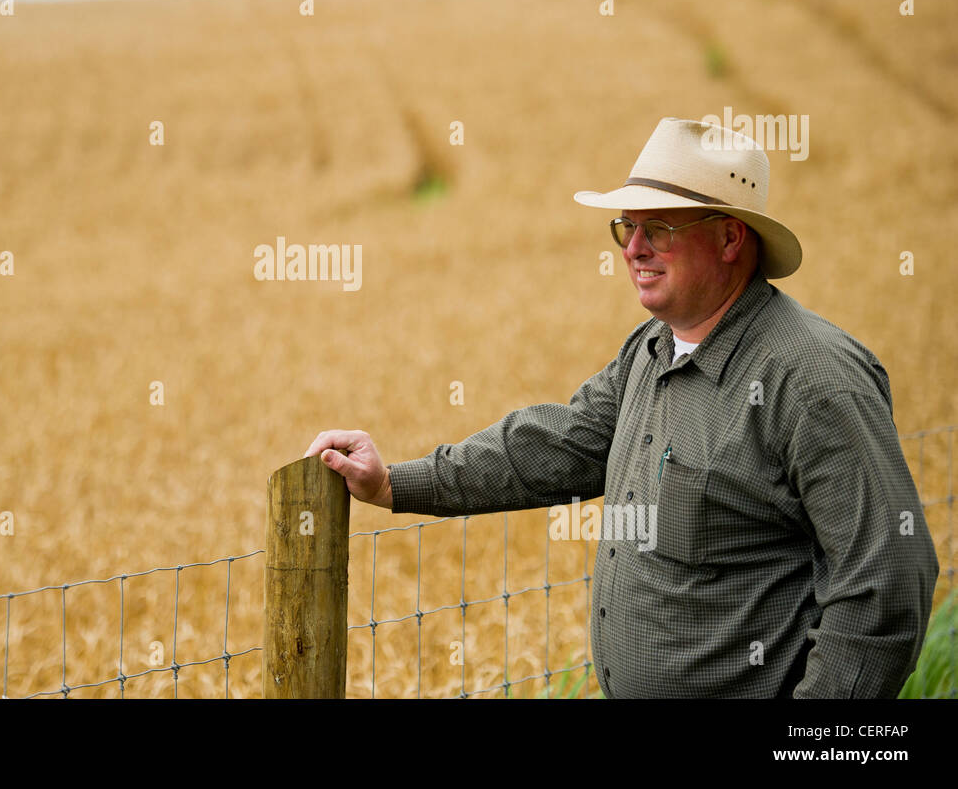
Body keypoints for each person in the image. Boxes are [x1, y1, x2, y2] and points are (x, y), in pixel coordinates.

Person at [303, 117, 939, 698]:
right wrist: (394, 482)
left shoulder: (812, 380)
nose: (633, 248)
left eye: (658, 228)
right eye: (626, 227)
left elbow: (885, 584)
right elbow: (561, 443)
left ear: (728, 239)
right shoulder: (654, 348)